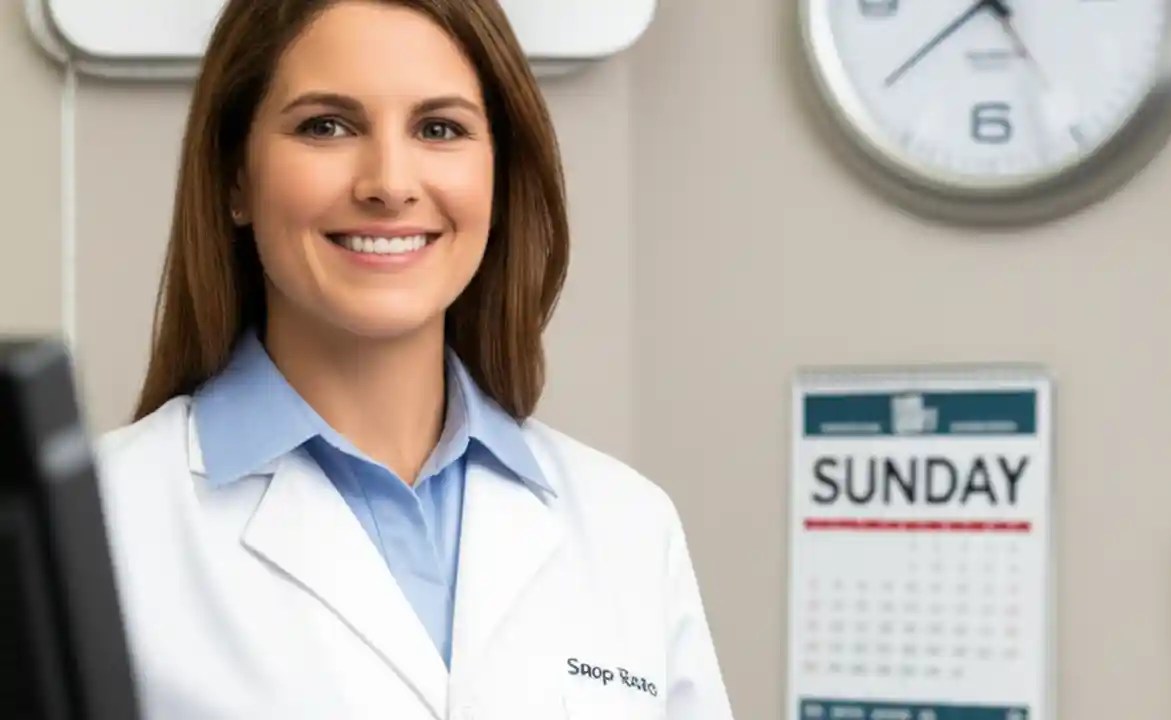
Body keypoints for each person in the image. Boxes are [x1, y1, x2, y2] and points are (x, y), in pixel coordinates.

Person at [93, 0, 734, 718]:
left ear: (499, 173)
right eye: (326, 126)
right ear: (235, 177)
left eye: (440, 128)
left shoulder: (630, 525)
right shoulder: (104, 524)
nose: (390, 183)